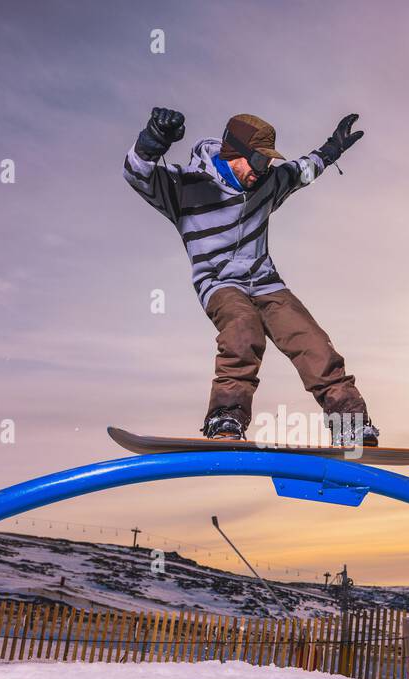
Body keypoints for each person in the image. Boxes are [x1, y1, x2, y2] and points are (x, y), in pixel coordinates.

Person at [123, 107, 379, 447]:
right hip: (219, 283)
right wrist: (153, 140)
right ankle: (225, 416)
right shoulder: (185, 187)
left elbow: (302, 170)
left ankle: (349, 422)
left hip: (266, 283)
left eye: (268, 163)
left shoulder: (268, 182)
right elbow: (138, 174)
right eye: (258, 162)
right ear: (233, 155)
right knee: (243, 330)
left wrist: (332, 148)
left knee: (311, 340)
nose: (263, 172)